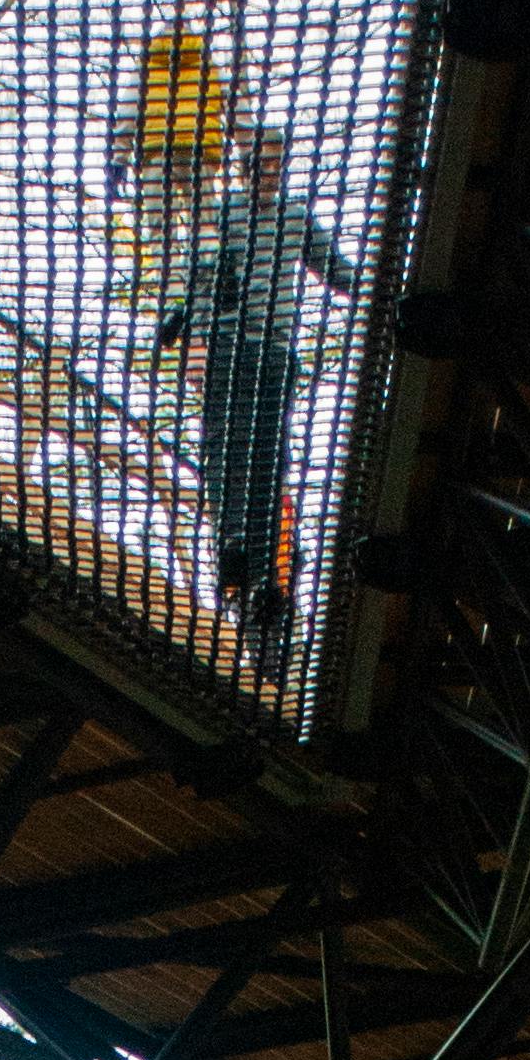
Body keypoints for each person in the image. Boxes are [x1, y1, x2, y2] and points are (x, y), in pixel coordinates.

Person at [155, 126, 356, 675]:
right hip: (227, 344)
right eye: (257, 162)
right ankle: (235, 545)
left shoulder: (294, 218)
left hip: (274, 352)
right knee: (227, 445)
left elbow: (338, 269)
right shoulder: (227, 214)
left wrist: (379, 285)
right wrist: (185, 329)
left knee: (269, 458)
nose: (264, 170)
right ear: (247, 166)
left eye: (272, 162)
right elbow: (190, 272)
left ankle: (263, 575)